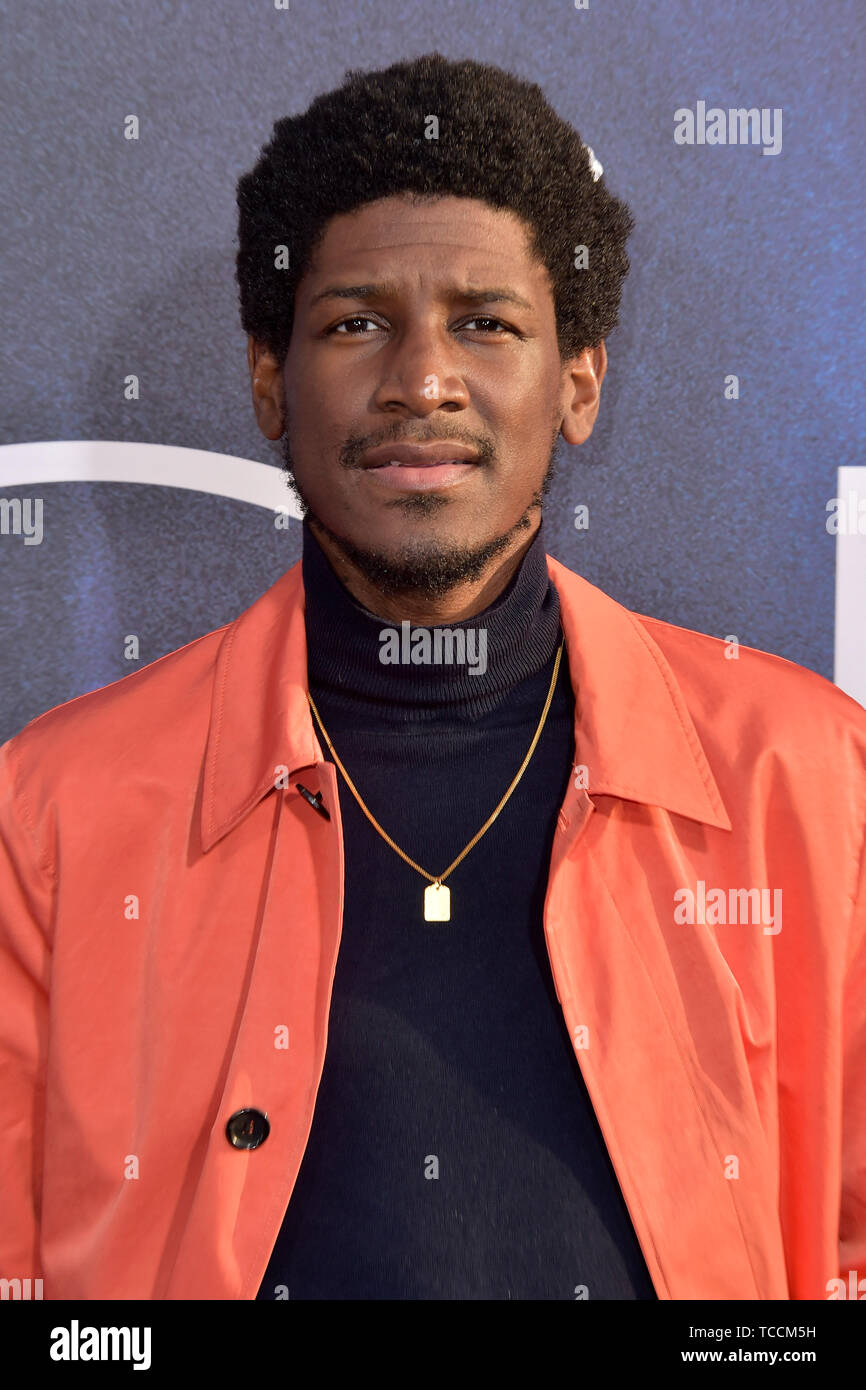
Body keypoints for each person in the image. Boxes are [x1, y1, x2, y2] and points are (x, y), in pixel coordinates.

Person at [0, 52, 863, 1303]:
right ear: (265, 382)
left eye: (485, 322)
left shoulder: (806, 776)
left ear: (577, 382)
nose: (421, 380)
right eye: (356, 322)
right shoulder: (55, 810)